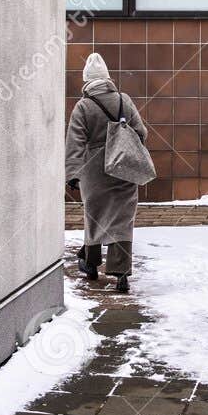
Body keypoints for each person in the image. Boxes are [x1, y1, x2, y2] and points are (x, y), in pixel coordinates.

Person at [65, 52, 150, 293]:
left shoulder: (83, 106)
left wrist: (72, 173)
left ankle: (91, 265)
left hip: (94, 172)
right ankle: (121, 273)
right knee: (123, 220)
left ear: (87, 80)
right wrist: (124, 145)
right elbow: (141, 132)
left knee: (94, 216)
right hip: (124, 168)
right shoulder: (124, 100)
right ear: (107, 78)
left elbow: (75, 142)